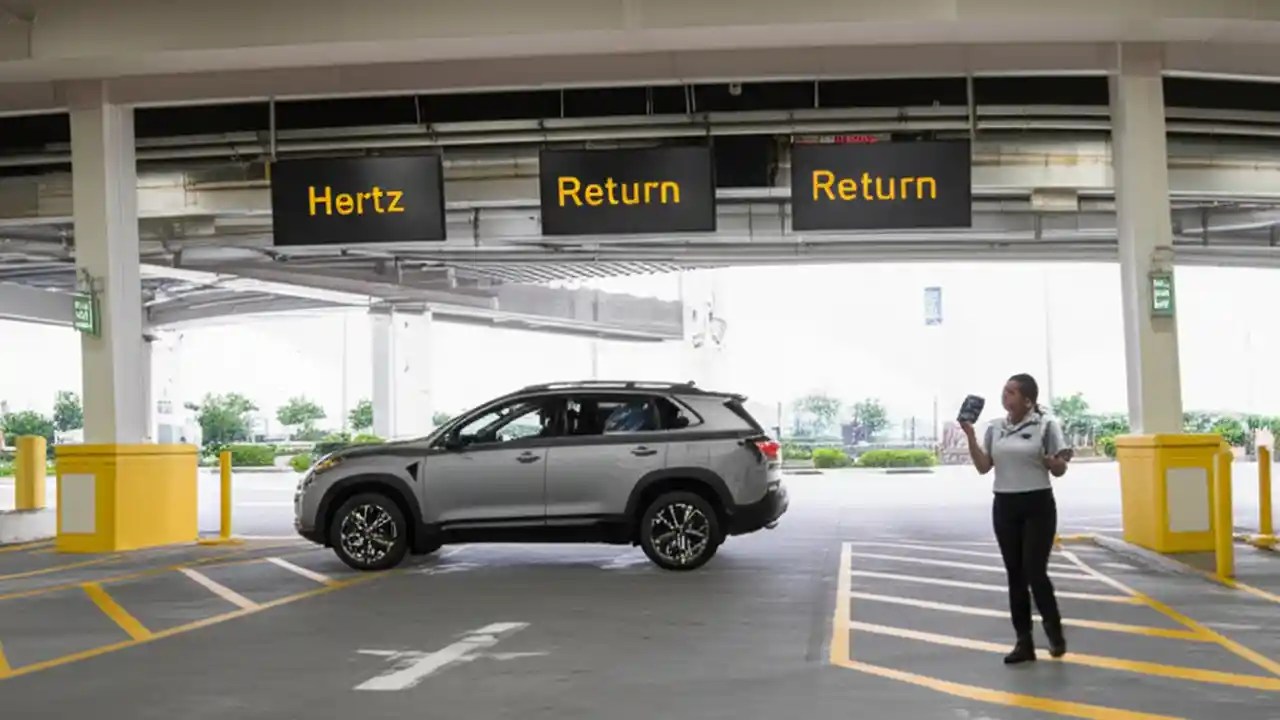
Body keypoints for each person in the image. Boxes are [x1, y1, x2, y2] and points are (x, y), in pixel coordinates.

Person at [960, 373, 1070, 665]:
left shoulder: (1046, 425)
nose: (1005, 396)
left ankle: (1054, 631)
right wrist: (970, 436)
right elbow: (984, 466)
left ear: (1028, 400)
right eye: (1004, 391)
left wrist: (1053, 462)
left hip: (1037, 503)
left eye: (1011, 392)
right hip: (1005, 505)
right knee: (1015, 574)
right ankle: (1024, 642)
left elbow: (1060, 468)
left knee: (1035, 571)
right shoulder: (995, 428)